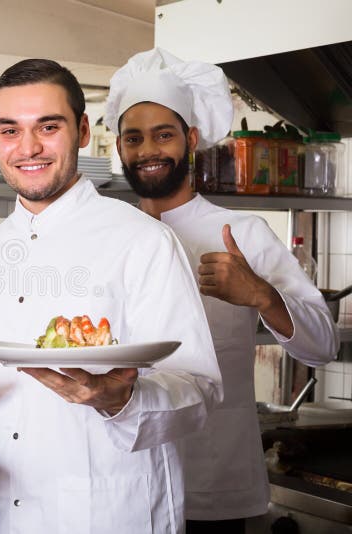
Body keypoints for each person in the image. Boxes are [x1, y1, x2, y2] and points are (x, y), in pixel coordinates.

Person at [0, 58, 224, 533]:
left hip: (111, 514)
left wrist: (120, 399)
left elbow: (200, 389)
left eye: (48, 127)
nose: (28, 147)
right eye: (9, 130)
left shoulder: (142, 241)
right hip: (0, 515)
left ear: (84, 131)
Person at [105, 47, 340, 534]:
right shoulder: (106, 235)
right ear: (120, 147)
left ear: (190, 139)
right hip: (122, 480)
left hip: (212, 482)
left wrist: (261, 295)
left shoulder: (244, 233)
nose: (148, 150)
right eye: (133, 138)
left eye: (163, 134)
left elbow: (323, 344)